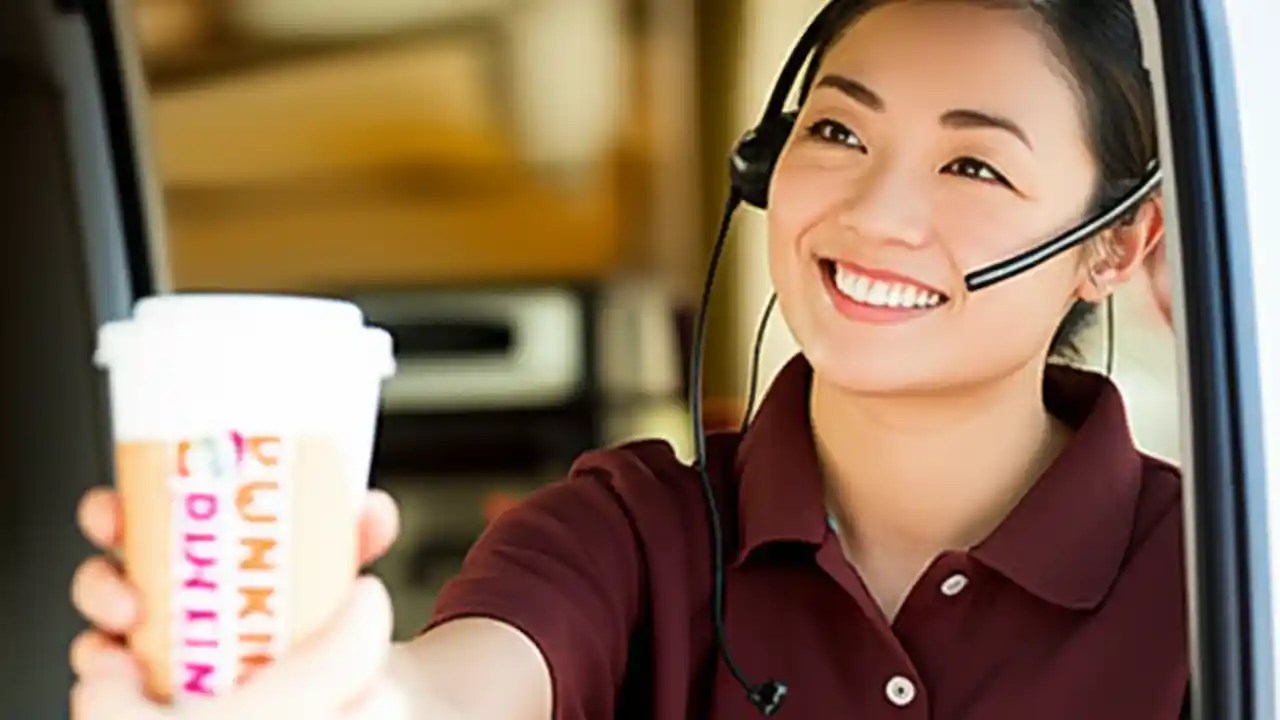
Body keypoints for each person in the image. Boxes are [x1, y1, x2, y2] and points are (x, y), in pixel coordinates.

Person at [69, 0, 1187, 717]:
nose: (874, 214)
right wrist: (345, 698)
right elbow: (453, 689)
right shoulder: (625, 526)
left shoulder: (1215, 576)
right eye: (837, 133)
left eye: (973, 168)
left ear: (1112, 244)